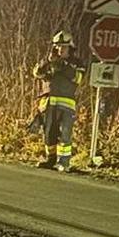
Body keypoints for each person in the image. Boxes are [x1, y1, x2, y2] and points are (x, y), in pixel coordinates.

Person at [31, 30, 85, 171]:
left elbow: (78, 78)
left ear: (70, 47)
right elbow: (37, 73)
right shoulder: (50, 60)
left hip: (67, 104)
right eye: (58, 46)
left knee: (65, 133)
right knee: (49, 133)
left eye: (64, 46)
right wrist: (47, 63)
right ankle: (50, 159)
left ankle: (64, 162)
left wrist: (64, 67)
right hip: (49, 103)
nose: (61, 49)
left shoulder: (76, 63)